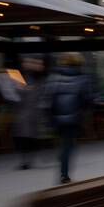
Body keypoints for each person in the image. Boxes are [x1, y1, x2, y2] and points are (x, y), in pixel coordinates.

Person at [43, 53, 92, 184]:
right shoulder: (82, 78)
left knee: (64, 143)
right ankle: (64, 175)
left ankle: (62, 159)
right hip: (73, 118)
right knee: (68, 145)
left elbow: (47, 99)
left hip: (57, 118)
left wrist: (50, 117)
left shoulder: (53, 77)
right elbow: (86, 99)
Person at [11, 57, 46, 169]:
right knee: (24, 137)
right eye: (26, 62)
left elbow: (40, 92)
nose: (28, 64)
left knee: (30, 137)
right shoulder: (22, 76)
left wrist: (26, 89)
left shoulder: (39, 78)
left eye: (31, 62)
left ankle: (27, 161)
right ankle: (25, 161)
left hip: (33, 112)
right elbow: (17, 92)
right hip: (24, 112)